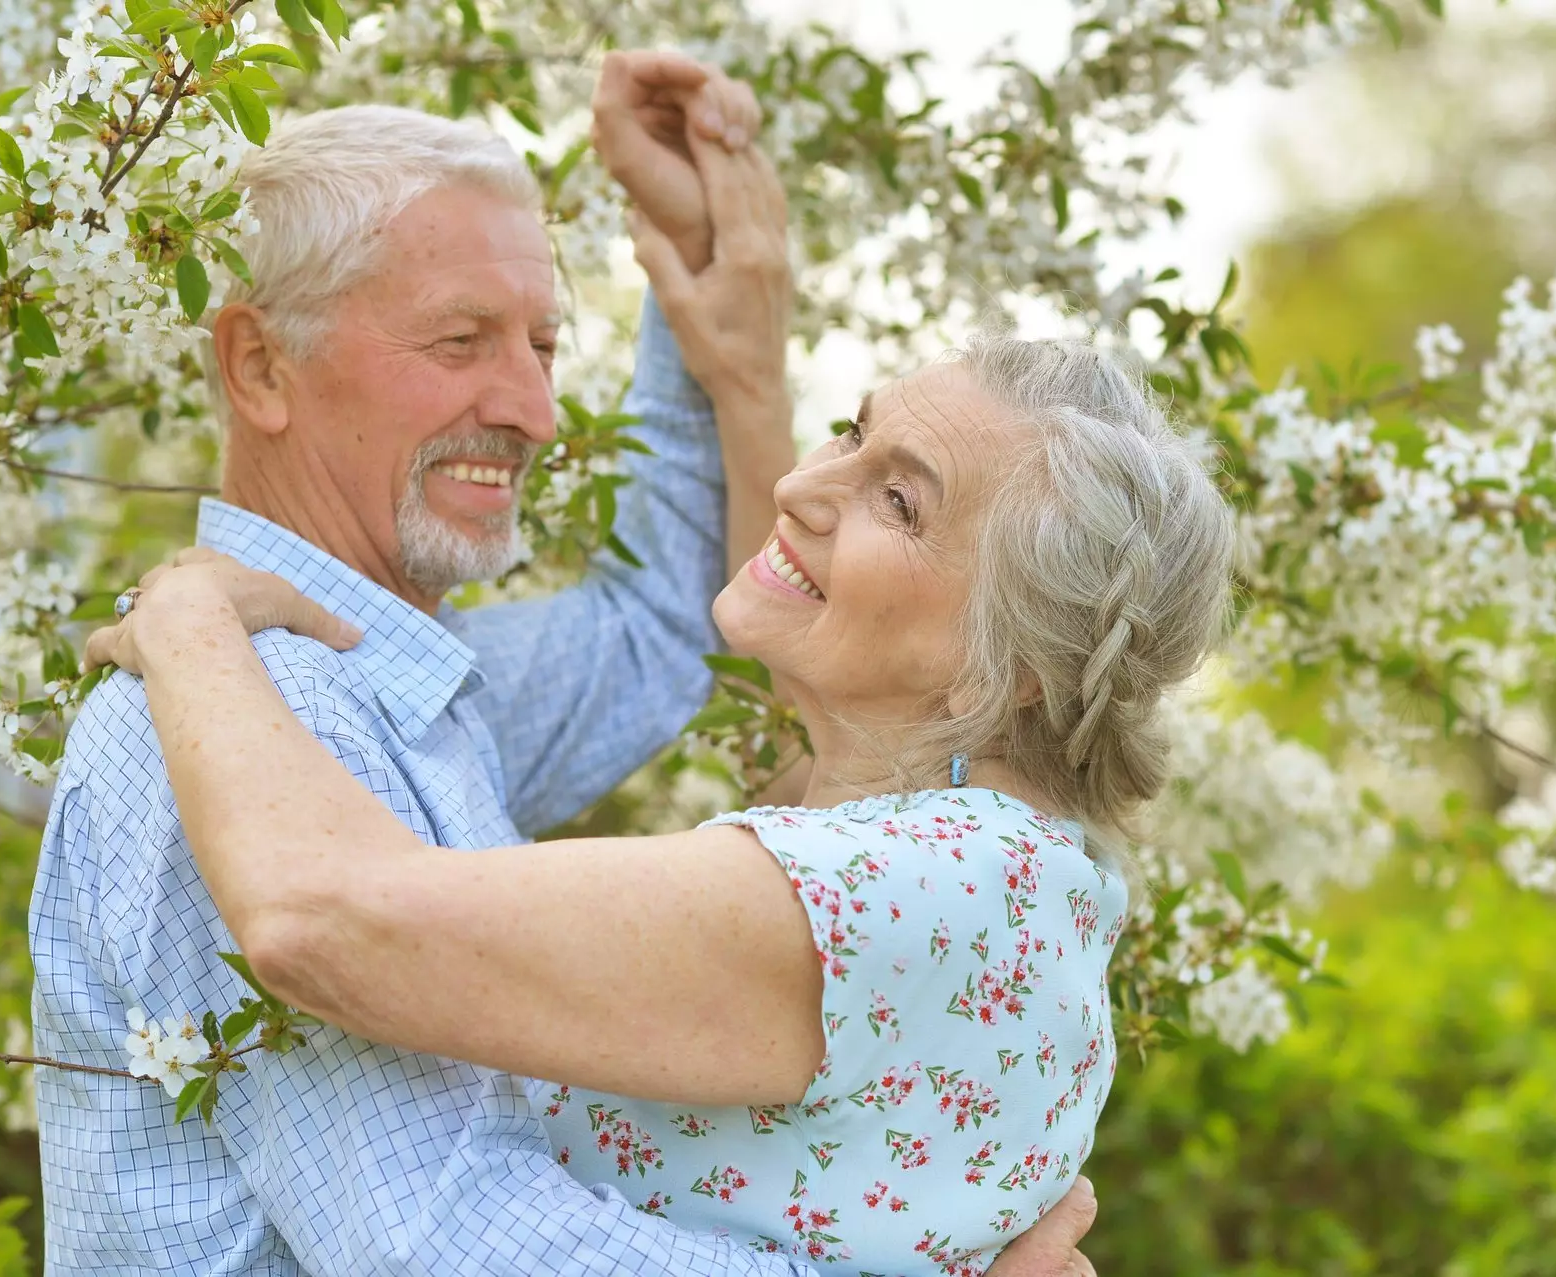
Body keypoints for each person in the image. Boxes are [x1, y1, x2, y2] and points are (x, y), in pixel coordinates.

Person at [30, 51, 1096, 1276]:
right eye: (459, 340)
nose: (533, 408)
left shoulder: (403, 687)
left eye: (541, 343)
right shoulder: (233, 729)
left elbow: (658, 628)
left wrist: (683, 259)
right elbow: (440, 1240)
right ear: (260, 365)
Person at [85, 301, 1238, 1266]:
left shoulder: (918, 887)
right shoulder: (1017, 883)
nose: (804, 485)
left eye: (900, 499)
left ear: (1013, 664)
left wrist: (188, 620)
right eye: (849, 432)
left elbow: (320, 918)